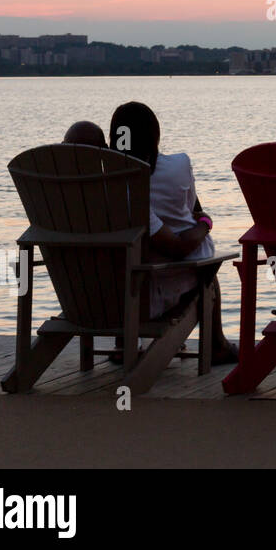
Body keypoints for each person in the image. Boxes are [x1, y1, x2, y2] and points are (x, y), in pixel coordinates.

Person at [109, 101, 236, 364]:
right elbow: (183, 232)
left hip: (100, 294)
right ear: (155, 135)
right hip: (144, 295)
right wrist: (205, 224)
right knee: (207, 277)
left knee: (129, 259)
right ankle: (216, 345)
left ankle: (124, 344)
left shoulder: (96, 185)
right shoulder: (172, 169)